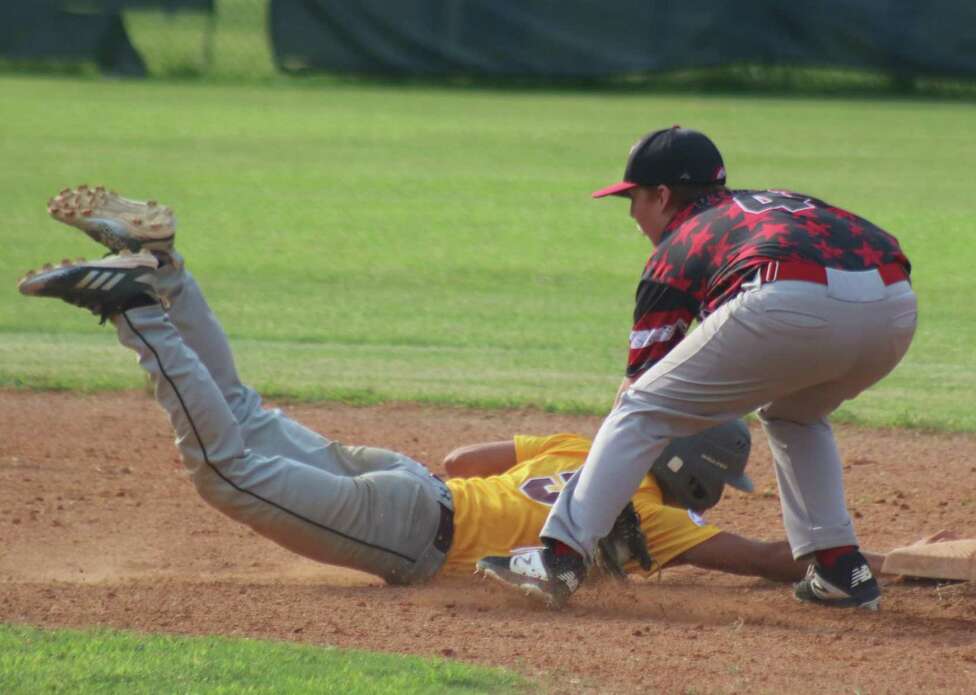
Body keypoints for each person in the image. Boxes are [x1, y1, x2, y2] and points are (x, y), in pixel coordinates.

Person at [17, 184, 918, 590]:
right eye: (719, 480)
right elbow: (768, 560)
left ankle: (168, 271)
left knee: (247, 417)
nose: (718, 491)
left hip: (417, 481)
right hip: (406, 535)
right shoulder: (658, 523)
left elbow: (462, 457)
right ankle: (137, 308)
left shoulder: (590, 455)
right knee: (226, 466)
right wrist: (891, 562)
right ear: (688, 474)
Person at [479, 127, 917, 610]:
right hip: (894, 306)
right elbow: (882, 247)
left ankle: (559, 558)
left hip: (788, 297)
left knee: (641, 409)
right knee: (796, 414)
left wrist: (612, 488)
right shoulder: (772, 202)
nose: (632, 214)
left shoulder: (681, 240)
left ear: (662, 195)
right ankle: (841, 570)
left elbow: (639, 388)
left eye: (634, 199)